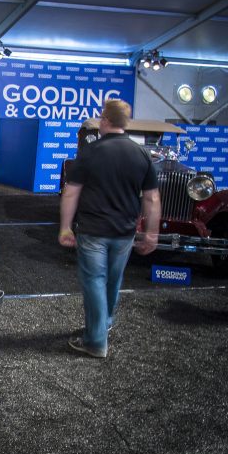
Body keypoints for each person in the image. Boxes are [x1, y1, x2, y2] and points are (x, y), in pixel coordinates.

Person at [59, 99, 161, 358]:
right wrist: (151, 233)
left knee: (94, 281)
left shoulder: (90, 152)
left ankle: (95, 341)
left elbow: (71, 193)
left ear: (105, 120)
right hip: (124, 232)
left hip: (93, 230)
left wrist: (65, 227)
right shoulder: (141, 154)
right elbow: (152, 198)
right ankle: (104, 323)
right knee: (113, 281)